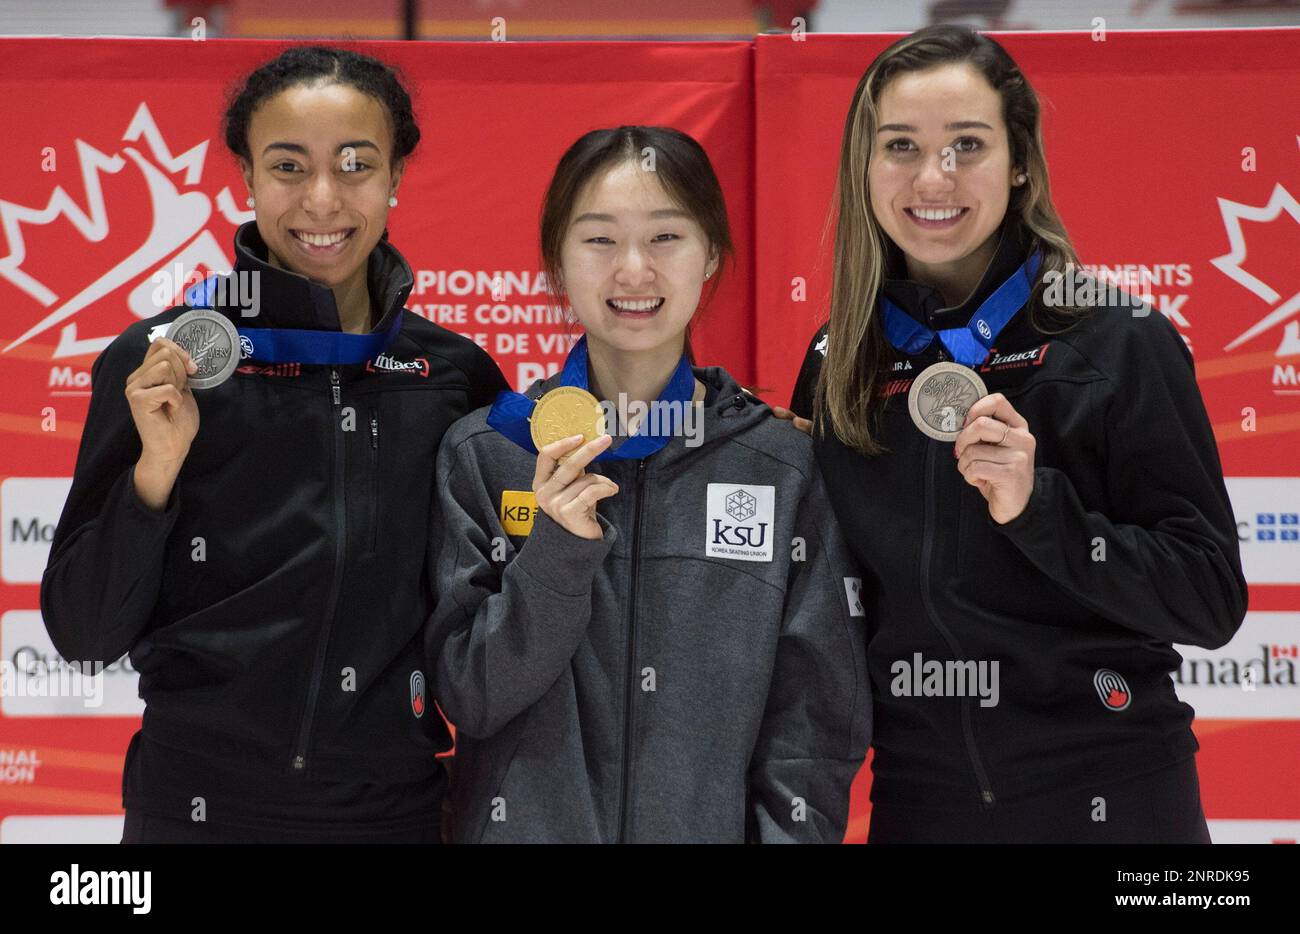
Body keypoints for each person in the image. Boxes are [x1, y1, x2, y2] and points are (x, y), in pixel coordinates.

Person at [782, 26, 1246, 843]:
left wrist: (1039, 509)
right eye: (901, 146)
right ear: (865, 166)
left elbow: (1208, 599)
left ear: (1020, 160)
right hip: (922, 805)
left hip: (1116, 799)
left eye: (968, 144)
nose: (935, 177)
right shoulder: (840, 362)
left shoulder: (1116, 341)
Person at [40, 46, 507, 843]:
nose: (322, 200)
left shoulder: (454, 377)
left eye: (356, 164)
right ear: (246, 180)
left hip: (389, 814)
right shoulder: (161, 367)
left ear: (395, 176)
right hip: (194, 811)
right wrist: (155, 471)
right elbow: (84, 636)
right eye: (288, 166)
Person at [426, 126, 871, 843]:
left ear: (711, 256)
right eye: (599, 240)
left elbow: (814, 724)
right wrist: (557, 556)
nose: (633, 270)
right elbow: (473, 698)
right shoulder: (490, 453)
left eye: (666, 237)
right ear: (557, 264)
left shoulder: (781, 466)